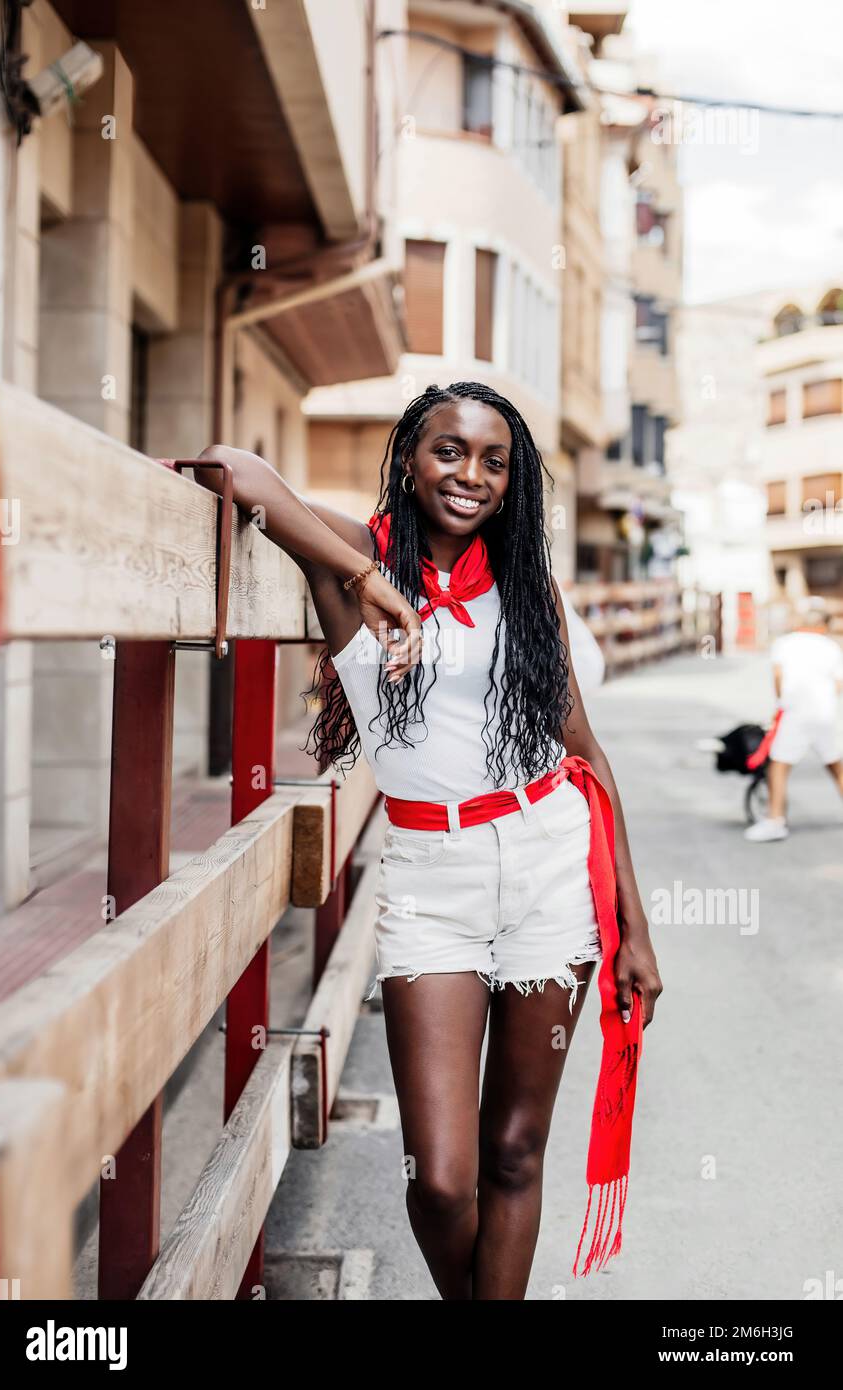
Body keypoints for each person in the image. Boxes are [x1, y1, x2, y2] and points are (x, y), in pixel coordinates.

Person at [195, 382, 662, 1300]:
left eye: (494, 461)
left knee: (515, 1150)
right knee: (443, 1179)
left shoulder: (530, 590)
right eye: (448, 451)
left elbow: (584, 754)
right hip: (429, 883)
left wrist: (633, 928)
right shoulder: (352, 558)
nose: (470, 476)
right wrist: (369, 582)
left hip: (548, 868)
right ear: (409, 457)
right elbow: (231, 470)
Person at [746, 603, 843, 842]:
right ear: (822, 625)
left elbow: (778, 676)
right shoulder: (831, 647)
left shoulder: (785, 643)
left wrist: (780, 702)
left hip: (795, 712)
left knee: (779, 765)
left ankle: (775, 820)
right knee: (836, 765)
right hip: (824, 712)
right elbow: (839, 683)